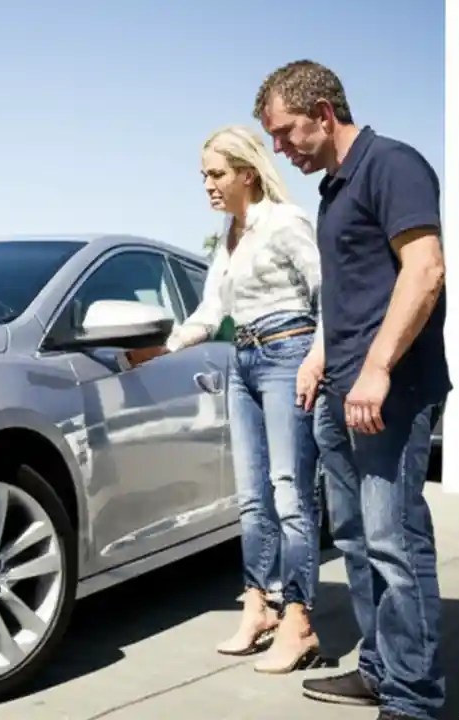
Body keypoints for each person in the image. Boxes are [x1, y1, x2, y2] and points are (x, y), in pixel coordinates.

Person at [254, 59, 449, 720]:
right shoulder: (334, 188)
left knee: (395, 540)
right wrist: (318, 356)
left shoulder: (393, 165)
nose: (280, 148)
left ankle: (415, 698)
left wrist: (377, 367)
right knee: (359, 540)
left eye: (284, 133)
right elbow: (348, 293)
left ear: (323, 113)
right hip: (342, 389)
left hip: (388, 390)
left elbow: (425, 270)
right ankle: (379, 670)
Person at [167, 125, 324, 674]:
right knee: (252, 499)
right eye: (204, 176)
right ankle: (258, 608)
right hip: (243, 359)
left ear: (247, 174)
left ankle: (299, 621)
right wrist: (158, 349)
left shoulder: (286, 222)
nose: (207, 185)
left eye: (216, 173)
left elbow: (327, 293)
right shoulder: (227, 236)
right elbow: (211, 314)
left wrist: (317, 359)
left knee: (290, 495)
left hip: (288, 353)